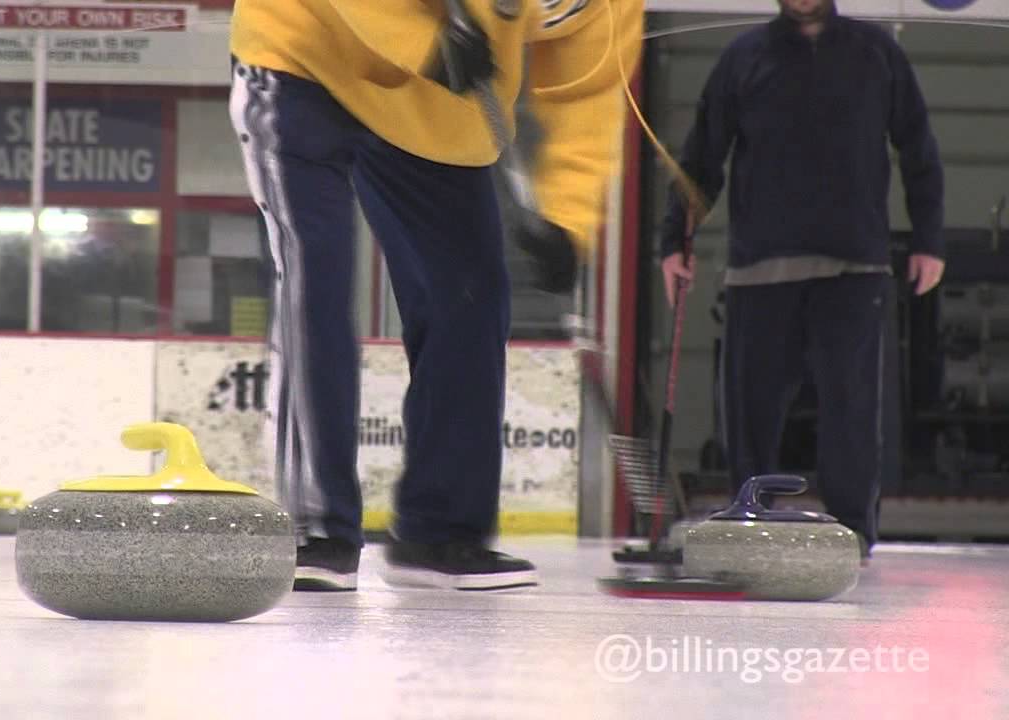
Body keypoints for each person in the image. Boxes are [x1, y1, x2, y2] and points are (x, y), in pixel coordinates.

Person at [229, 0, 645, 590]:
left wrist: (566, 217)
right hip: (307, 53)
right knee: (314, 275)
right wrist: (421, 42)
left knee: (471, 302)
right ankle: (318, 526)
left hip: (441, 111)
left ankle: (441, 530)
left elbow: (586, 94)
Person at [659, 0, 945, 560]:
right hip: (760, 270)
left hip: (853, 269)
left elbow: (918, 147)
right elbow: (702, 156)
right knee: (751, 412)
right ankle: (749, 522)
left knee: (853, 412)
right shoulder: (744, 59)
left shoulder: (876, 53)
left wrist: (929, 239)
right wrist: (674, 240)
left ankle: (854, 534)